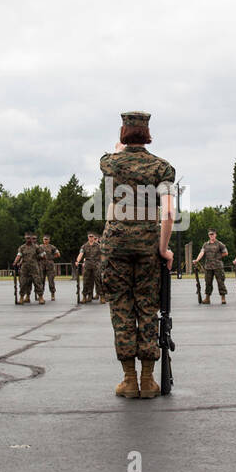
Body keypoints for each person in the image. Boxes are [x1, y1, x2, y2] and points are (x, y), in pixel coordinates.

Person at [99, 110, 174, 399]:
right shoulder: (162, 168)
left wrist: (119, 149)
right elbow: (167, 212)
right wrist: (163, 249)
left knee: (121, 309)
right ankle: (148, 381)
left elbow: (112, 158)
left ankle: (129, 380)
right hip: (146, 247)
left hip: (115, 246)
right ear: (148, 135)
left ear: (123, 133)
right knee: (147, 308)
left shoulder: (110, 164)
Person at [193, 228, 230, 304]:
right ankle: (207, 298)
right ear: (208, 235)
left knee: (220, 282)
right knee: (208, 282)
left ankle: (223, 298)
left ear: (215, 235)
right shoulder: (206, 244)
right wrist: (197, 260)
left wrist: (218, 256)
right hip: (208, 267)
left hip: (218, 266)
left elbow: (226, 253)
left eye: (213, 234)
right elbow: (202, 252)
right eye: (210, 234)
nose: (211, 235)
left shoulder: (219, 244)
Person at [13, 232, 44, 304]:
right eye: (27, 238)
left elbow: (43, 255)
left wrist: (38, 258)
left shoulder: (36, 247)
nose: (29, 240)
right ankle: (21, 298)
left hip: (34, 268)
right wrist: (15, 262)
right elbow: (19, 255)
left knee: (37, 282)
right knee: (23, 283)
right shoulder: (22, 247)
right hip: (25, 268)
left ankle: (40, 297)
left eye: (30, 238)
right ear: (25, 238)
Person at [76, 232, 101, 303]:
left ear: (94, 237)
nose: (91, 238)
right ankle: (84, 296)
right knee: (86, 281)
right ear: (88, 237)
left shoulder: (98, 246)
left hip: (96, 264)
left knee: (98, 280)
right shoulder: (84, 246)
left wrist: (103, 263)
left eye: (92, 237)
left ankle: (101, 295)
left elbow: (102, 255)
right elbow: (81, 254)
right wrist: (77, 261)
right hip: (87, 264)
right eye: (89, 237)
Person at [40, 234, 61, 300]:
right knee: (41, 281)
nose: (45, 240)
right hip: (42, 265)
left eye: (46, 239)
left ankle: (52, 294)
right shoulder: (40, 247)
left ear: (49, 240)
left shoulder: (52, 247)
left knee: (51, 280)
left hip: (50, 265)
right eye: (44, 239)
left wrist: (52, 257)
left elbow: (58, 254)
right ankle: (41, 295)